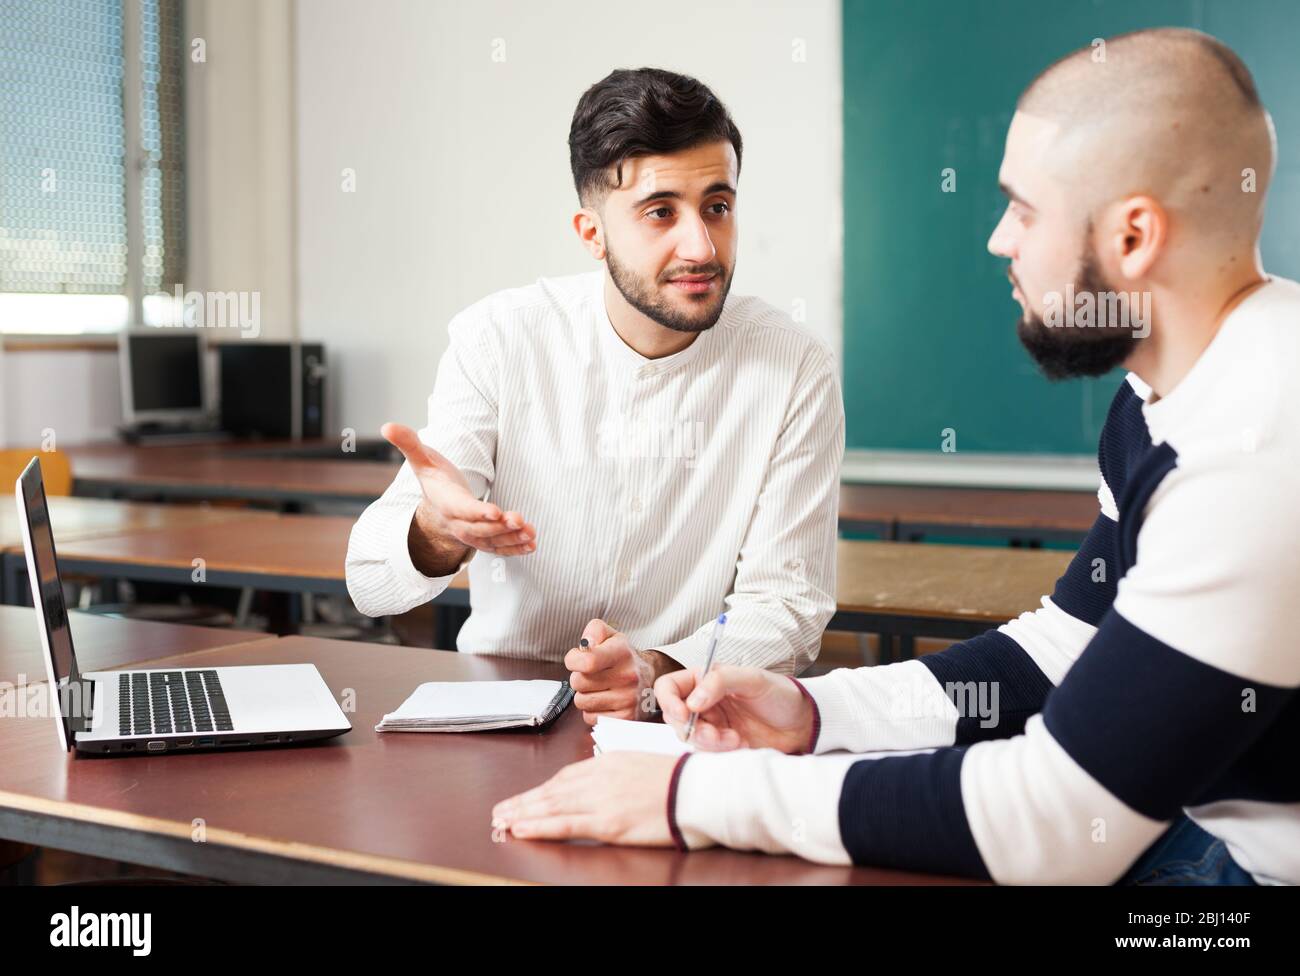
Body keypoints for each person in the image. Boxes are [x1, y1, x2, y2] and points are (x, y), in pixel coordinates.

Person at [493, 29, 1300, 885]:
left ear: (1134, 236)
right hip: (1216, 835)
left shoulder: (1256, 451)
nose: (1000, 240)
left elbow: (1055, 820)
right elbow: (1063, 650)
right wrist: (809, 710)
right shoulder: (1163, 396)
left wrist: (685, 797)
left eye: (1024, 209)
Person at [346, 68, 844, 726]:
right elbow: (371, 583)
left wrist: (655, 670)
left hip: (683, 718)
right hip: (498, 718)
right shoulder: (499, 339)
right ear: (592, 233)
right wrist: (437, 532)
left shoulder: (794, 366)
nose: (700, 245)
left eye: (717, 207)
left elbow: (786, 605)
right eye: (660, 212)